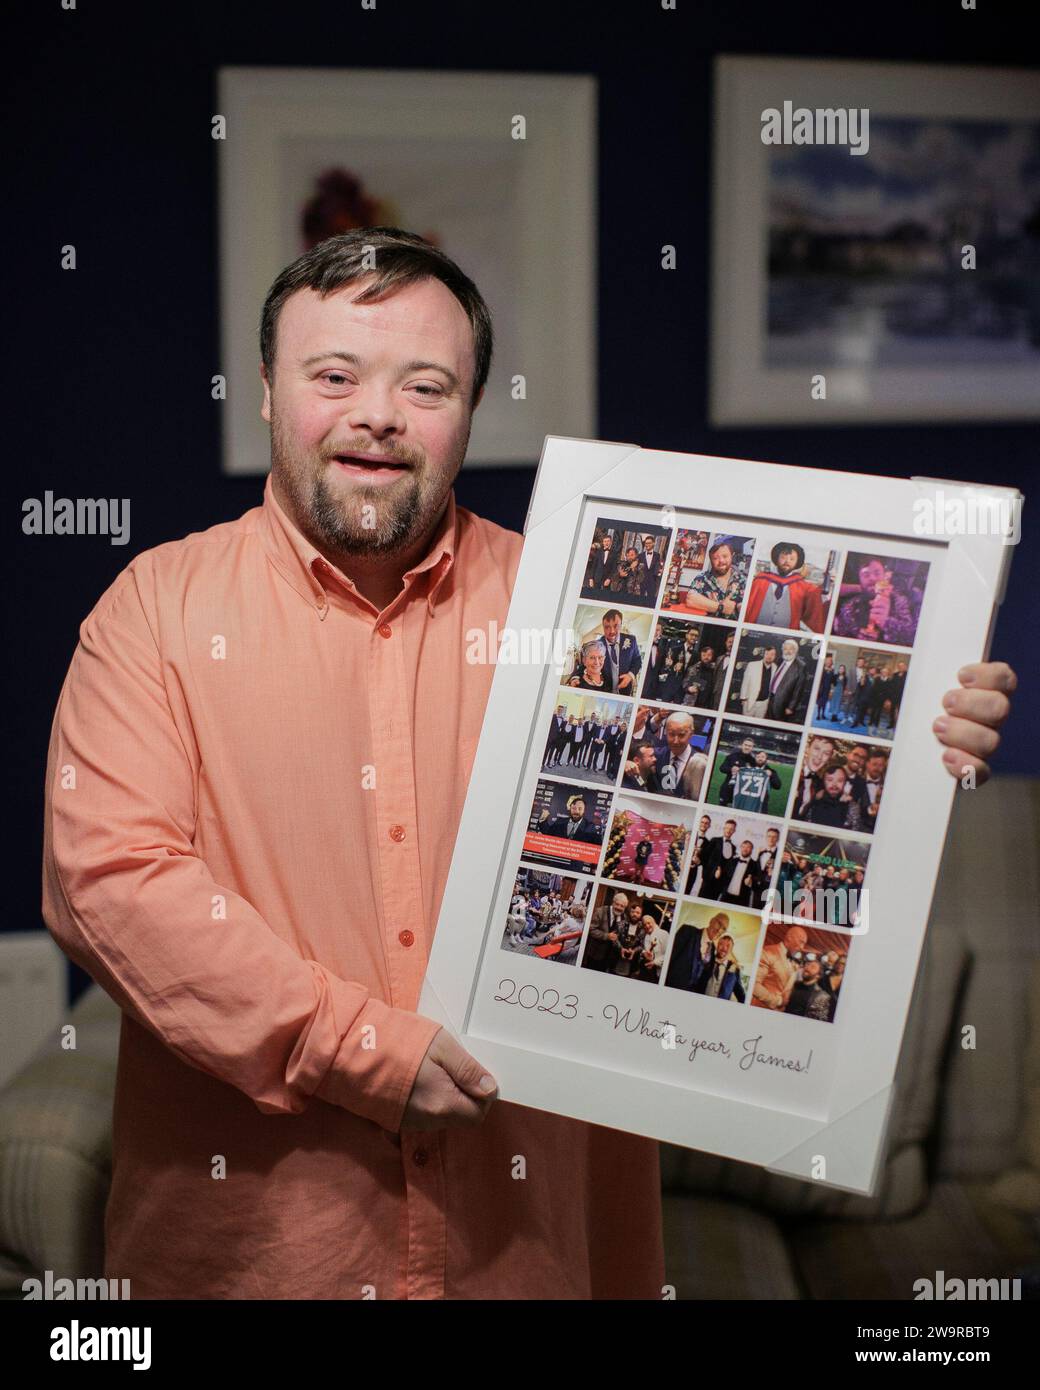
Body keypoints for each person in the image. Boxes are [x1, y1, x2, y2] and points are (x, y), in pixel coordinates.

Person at [40, 225, 1018, 1300]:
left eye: (425, 384)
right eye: (334, 376)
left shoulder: (579, 604)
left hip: (525, 1259)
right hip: (260, 1260)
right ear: (267, 391)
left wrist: (901, 730)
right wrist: (359, 1047)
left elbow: (721, 781)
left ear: (466, 413)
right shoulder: (156, 612)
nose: (377, 413)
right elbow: (110, 882)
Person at [745, 541, 826, 632]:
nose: (787, 561)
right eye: (783, 557)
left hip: (785, 636)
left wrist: (826, 584)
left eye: (792, 559)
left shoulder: (802, 587)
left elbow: (814, 602)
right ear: (776, 558)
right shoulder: (760, 580)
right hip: (754, 631)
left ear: (797, 562)